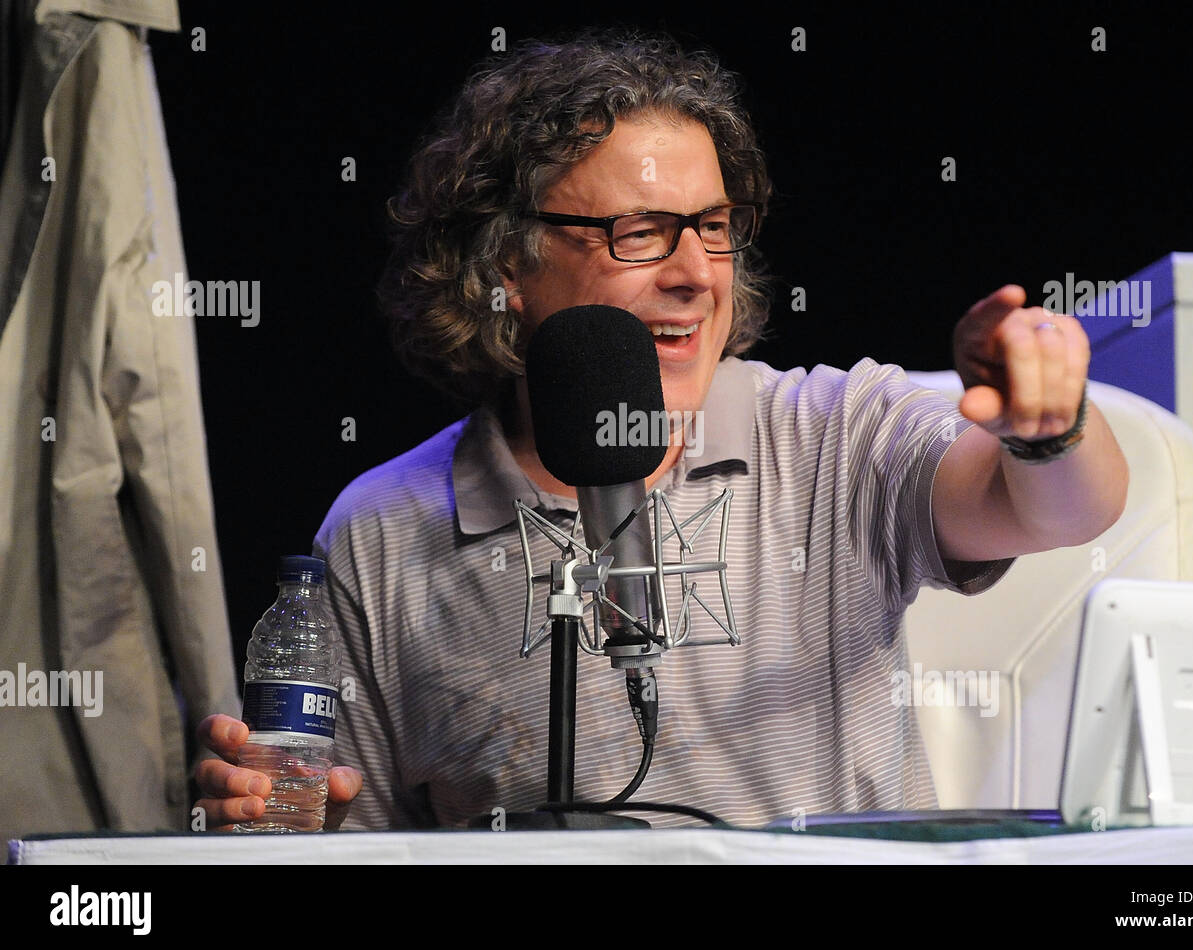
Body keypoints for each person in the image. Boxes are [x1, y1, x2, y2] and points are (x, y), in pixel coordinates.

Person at [195, 29, 1128, 831]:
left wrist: (1046, 434)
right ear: (505, 262)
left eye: (714, 225)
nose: (695, 273)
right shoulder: (381, 531)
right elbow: (339, 831)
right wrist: (283, 821)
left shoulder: (831, 431)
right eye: (638, 232)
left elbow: (1054, 510)